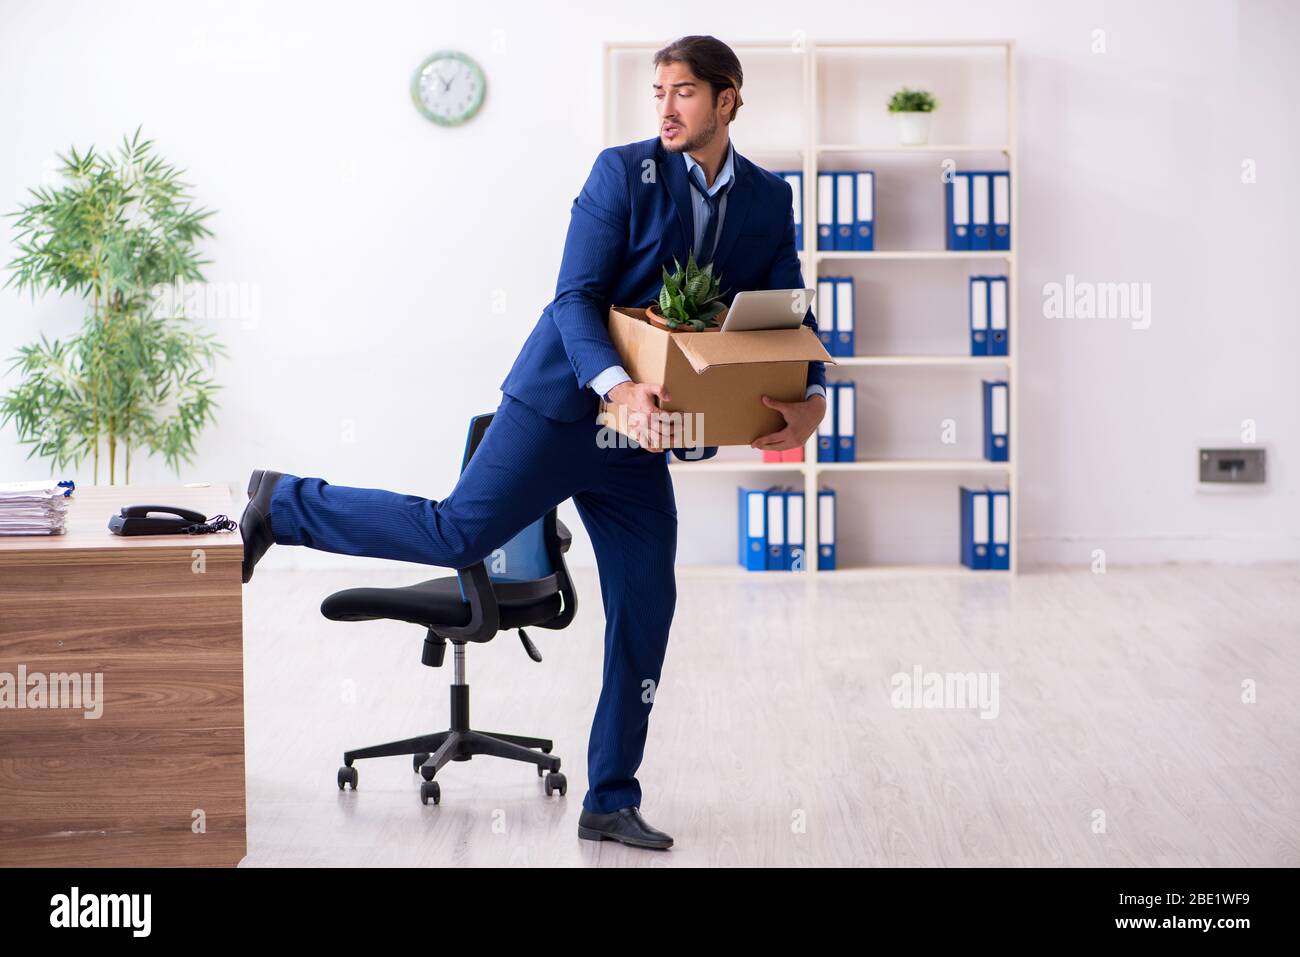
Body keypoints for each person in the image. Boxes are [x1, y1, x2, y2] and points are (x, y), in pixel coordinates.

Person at [240, 34, 827, 851]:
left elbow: (787, 314)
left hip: (641, 435)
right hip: (564, 405)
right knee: (457, 532)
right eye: (658, 90)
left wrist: (812, 402)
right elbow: (573, 300)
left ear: (729, 101)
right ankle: (286, 502)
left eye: (685, 91)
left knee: (646, 602)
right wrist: (615, 387)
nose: (665, 106)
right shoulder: (620, 173)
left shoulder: (766, 198)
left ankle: (610, 797)